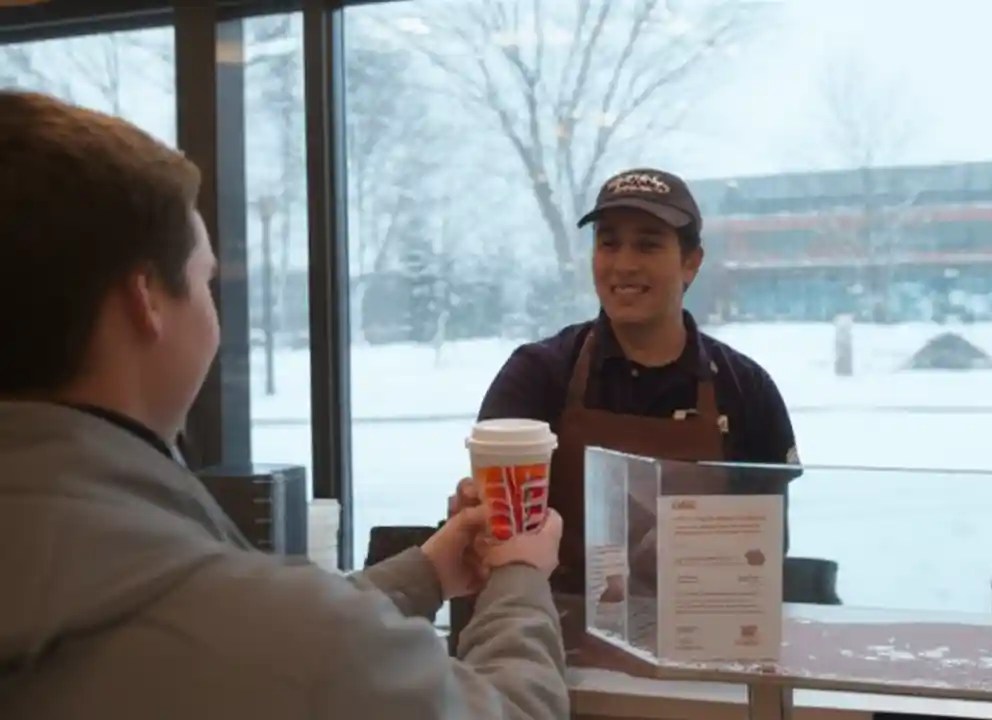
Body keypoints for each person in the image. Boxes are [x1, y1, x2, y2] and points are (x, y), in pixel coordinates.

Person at [0, 91, 568, 720]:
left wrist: (426, 574)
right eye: (205, 281)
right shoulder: (275, 640)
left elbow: (248, 641)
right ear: (147, 302)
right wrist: (519, 576)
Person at [452, 168, 800, 643]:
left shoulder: (747, 389)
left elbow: (765, 554)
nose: (623, 265)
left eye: (648, 245)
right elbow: (491, 532)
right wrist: (474, 519)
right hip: (547, 649)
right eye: (608, 243)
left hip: (699, 646)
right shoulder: (538, 375)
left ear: (691, 262)